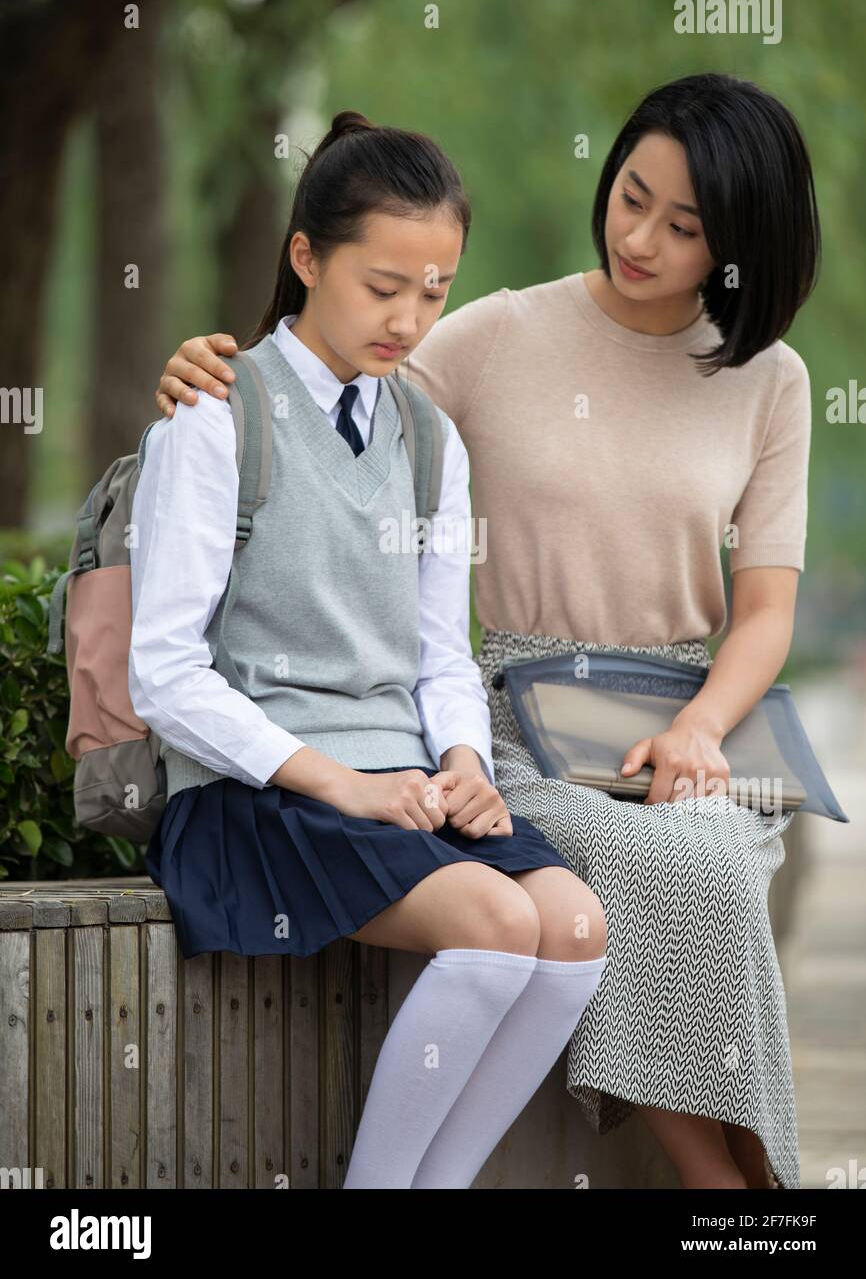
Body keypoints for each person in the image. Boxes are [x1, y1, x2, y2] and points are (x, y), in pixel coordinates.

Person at [154, 75, 819, 1190]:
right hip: (524, 712)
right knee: (627, 879)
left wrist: (702, 727)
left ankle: (755, 1192)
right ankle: (732, 1196)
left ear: (740, 243)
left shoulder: (771, 382)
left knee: (688, 869)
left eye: (683, 225)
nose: (638, 235)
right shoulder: (496, 331)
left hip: (684, 723)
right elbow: (323, 389)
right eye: (630, 195)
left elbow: (764, 608)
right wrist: (193, 372)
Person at [129, 111, 608, 1191]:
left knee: (572, 925)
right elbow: (163, 675)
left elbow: (441, 652)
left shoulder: (430, 442)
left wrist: (465, 770)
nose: (408, 316)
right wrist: (340, 781)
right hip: (257, 787)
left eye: (434, 290)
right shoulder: (215, 417)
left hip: (399, 787)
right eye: (382, 284)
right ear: (306, 256)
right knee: (494, 923)